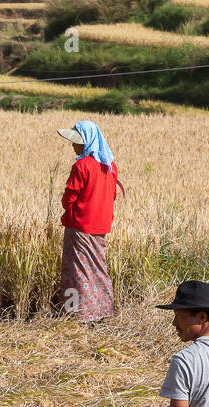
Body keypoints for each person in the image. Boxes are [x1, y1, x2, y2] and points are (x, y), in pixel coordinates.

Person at [57, 121, 121, 324]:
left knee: (75, 272)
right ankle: (103, 311)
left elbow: (68, 199)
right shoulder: (110, 166)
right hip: (101, 227)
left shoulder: (81, 166)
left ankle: (76, 315)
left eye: (77, 142)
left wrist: (73, 208)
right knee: (98, 269)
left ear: (87, 144)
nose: (73, 145)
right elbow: (112, 196)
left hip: (79, 228)